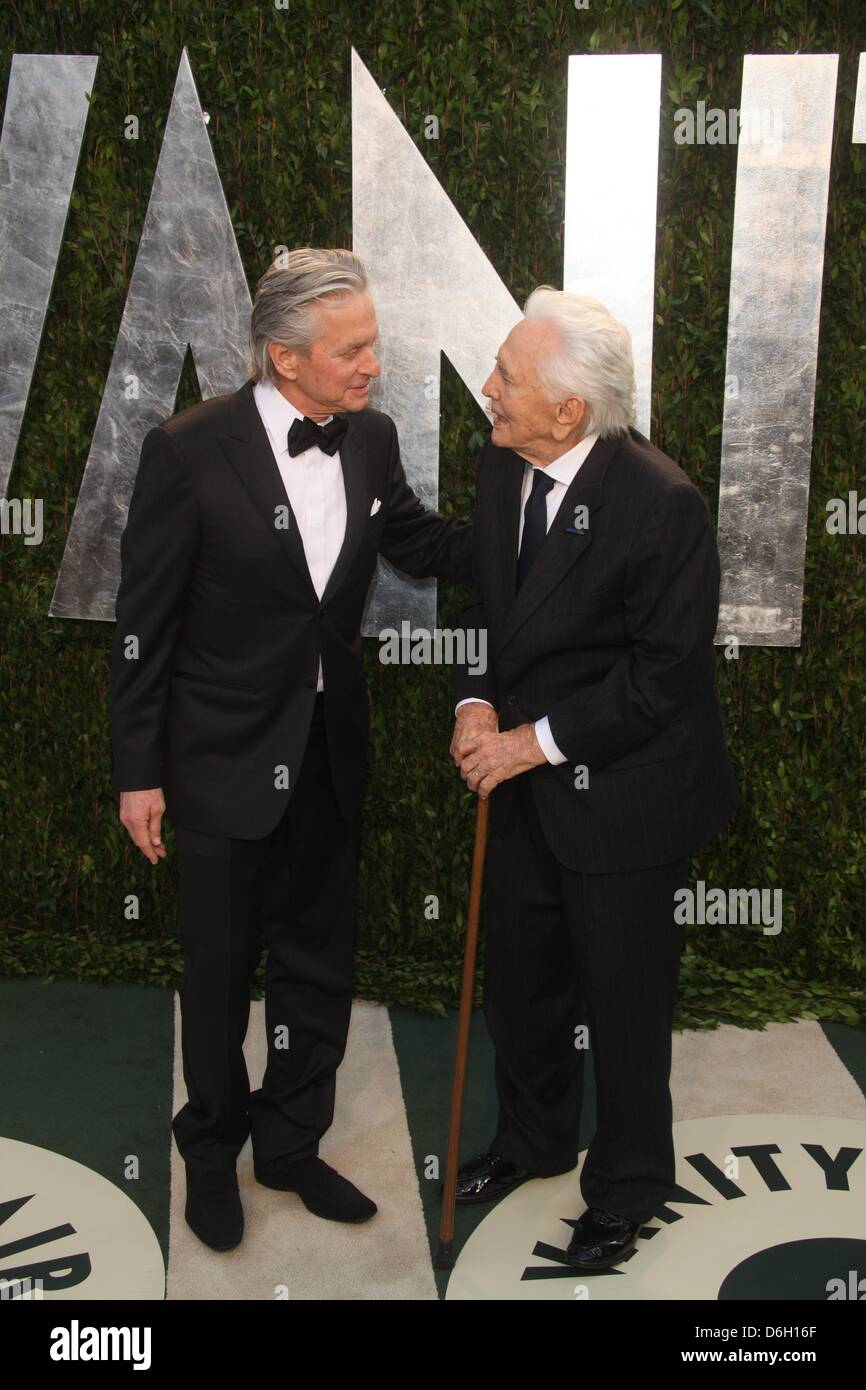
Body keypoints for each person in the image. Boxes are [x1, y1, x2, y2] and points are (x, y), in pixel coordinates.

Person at [110, 248, 473, 1251]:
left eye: (372, 343)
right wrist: (138, 769)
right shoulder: (187, 451)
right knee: (219, 967)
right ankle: (210, 1151)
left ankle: (289, 1141)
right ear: (284, 355)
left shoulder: (371, 437)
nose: (372, 362)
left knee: (317, 960)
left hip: (326, 748)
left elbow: (412, 538)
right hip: (220, 754)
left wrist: (530, 536)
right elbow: (145, 623)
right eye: (352, 348)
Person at [450, 287, 737, 1271]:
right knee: (521, 983)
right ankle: (531, 1140)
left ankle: (625, 1186)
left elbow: (660, 681)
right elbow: (493, 611)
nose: (485, 389)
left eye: (505, 378)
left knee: (619, 1004)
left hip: (622, 794)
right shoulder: (500, 466)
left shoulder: (660, 504)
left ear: (568, 410)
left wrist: (528, 742)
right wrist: (475, 706)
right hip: (525, 780)